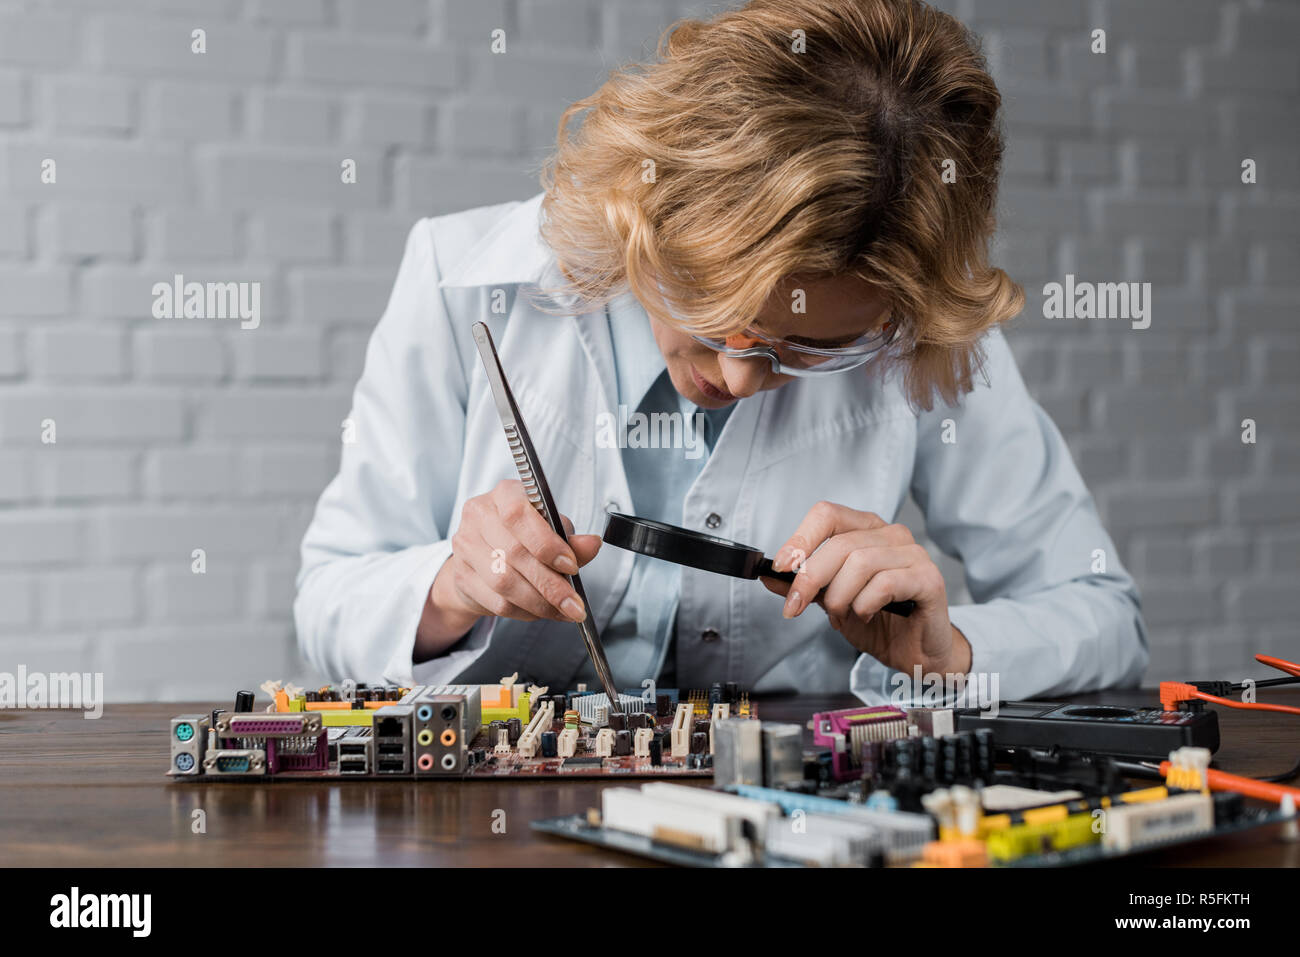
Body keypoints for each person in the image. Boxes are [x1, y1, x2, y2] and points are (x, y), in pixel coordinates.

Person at [294, 0, 1147, 705]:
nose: (737, 378)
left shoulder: (912, 325)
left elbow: (1104, 614)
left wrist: (948, 650)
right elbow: (328, 601)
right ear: (645, 210)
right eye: (710, 316)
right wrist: (446, 588)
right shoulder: (461, 279)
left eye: (807, 349)